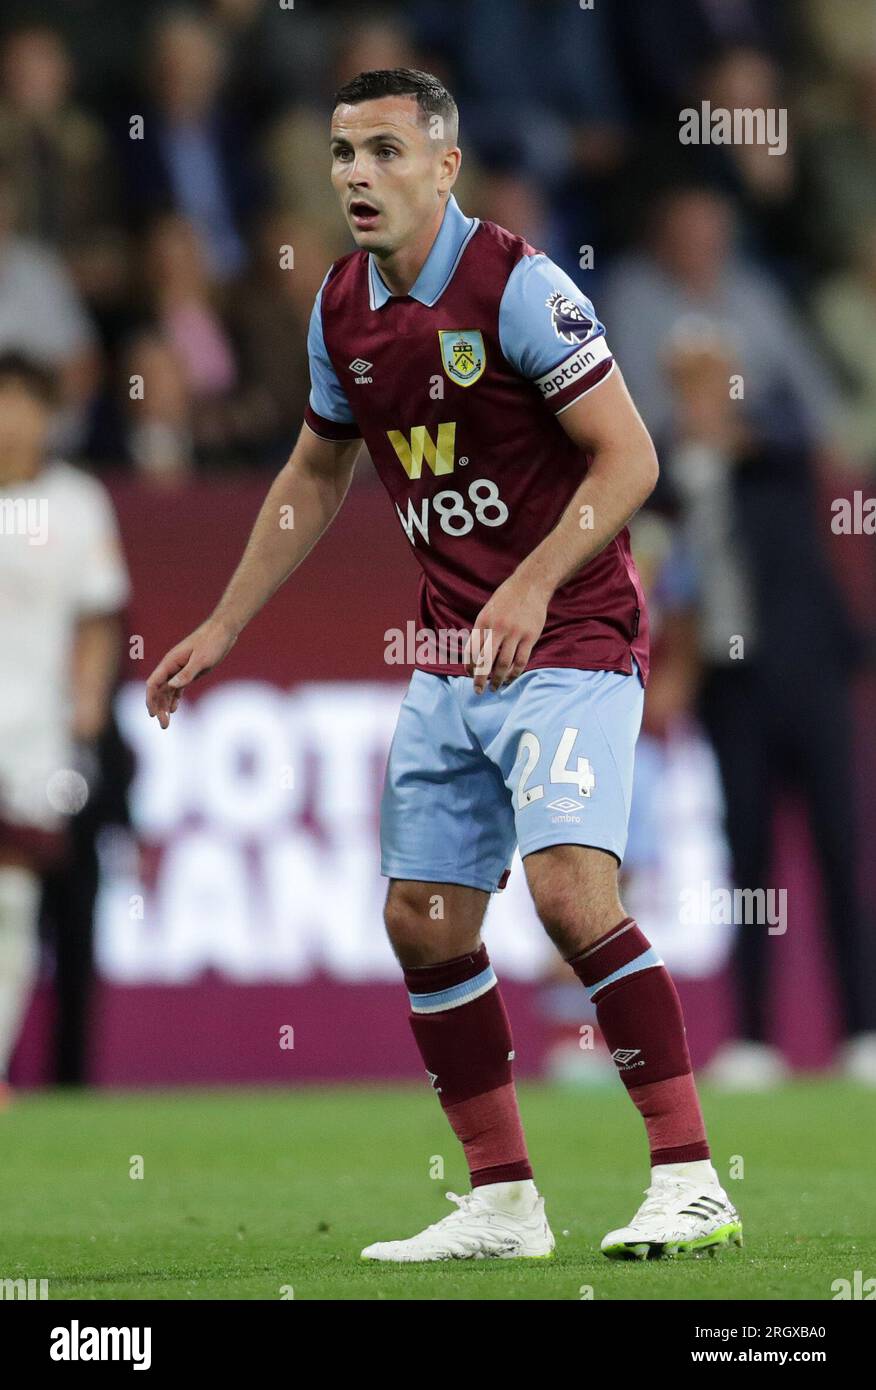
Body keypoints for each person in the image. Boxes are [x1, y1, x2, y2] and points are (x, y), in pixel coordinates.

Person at [146, 68, 742, 1262]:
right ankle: (502, 1203)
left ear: (444, 165)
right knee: (423, 919)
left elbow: (628, 461)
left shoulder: (519, 285)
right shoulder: (341, 311)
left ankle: (689, 1177)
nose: (356, 175)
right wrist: (224, 622)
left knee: (574, 897)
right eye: (341, 153)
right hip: (452, 653)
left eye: (381, 151)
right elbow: (317, 474)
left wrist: (529, 583)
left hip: (569, 637)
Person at [0, 352, 129, 1100]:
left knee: (13, 899)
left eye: (25, 404)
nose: (12, 420)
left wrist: (85, 708)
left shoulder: (77, 503)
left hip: (31, 738)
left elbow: (97, 616)